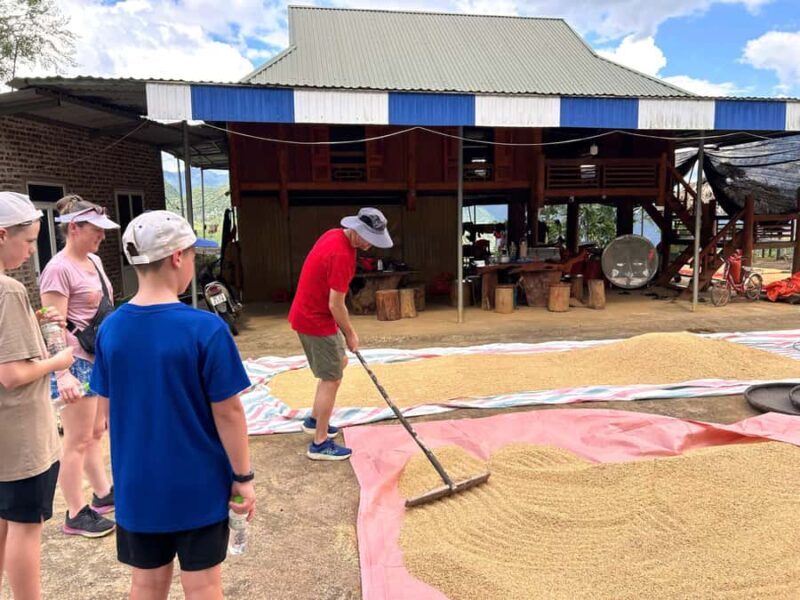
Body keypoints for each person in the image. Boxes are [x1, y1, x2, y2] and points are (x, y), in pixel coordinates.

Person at [90, 210, 255, 599]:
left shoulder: (111, 328)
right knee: (203, 585)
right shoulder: (206, 329)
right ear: (178, 257)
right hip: (198, 484)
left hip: (137, 485)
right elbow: (229, 413)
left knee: (145, 584)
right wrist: (243, 477)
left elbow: (105, 415)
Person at [0, 191, 74, 599]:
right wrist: (58, 361)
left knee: (4, 521)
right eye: (28, 241)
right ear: (2, 234)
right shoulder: (8, 290)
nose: (32, 251)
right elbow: (11, 374)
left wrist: (35, 321)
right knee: (26, 527)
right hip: (20, 434)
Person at [39, 194, 119, 538]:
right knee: (76, 440)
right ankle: (74, 512)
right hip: (75, 364)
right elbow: (52, 325)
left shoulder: (94, 261)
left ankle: (102, 493)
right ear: (74, 228)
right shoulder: (57, 269)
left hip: (97, 358)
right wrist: (62, 374)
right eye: (95, 229)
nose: (101, 235)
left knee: (96, 432)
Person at [288, 207, 393, 461]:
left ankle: (315, 420)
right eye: (367, 238)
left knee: (340, 362)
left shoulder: (334, 234)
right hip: (315, 319)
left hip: (310, 313)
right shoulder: (342, 256)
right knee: (331, 379)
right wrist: (350, 334)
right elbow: (336, 305)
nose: (369, 245)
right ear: (356, 229)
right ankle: (319, 443)